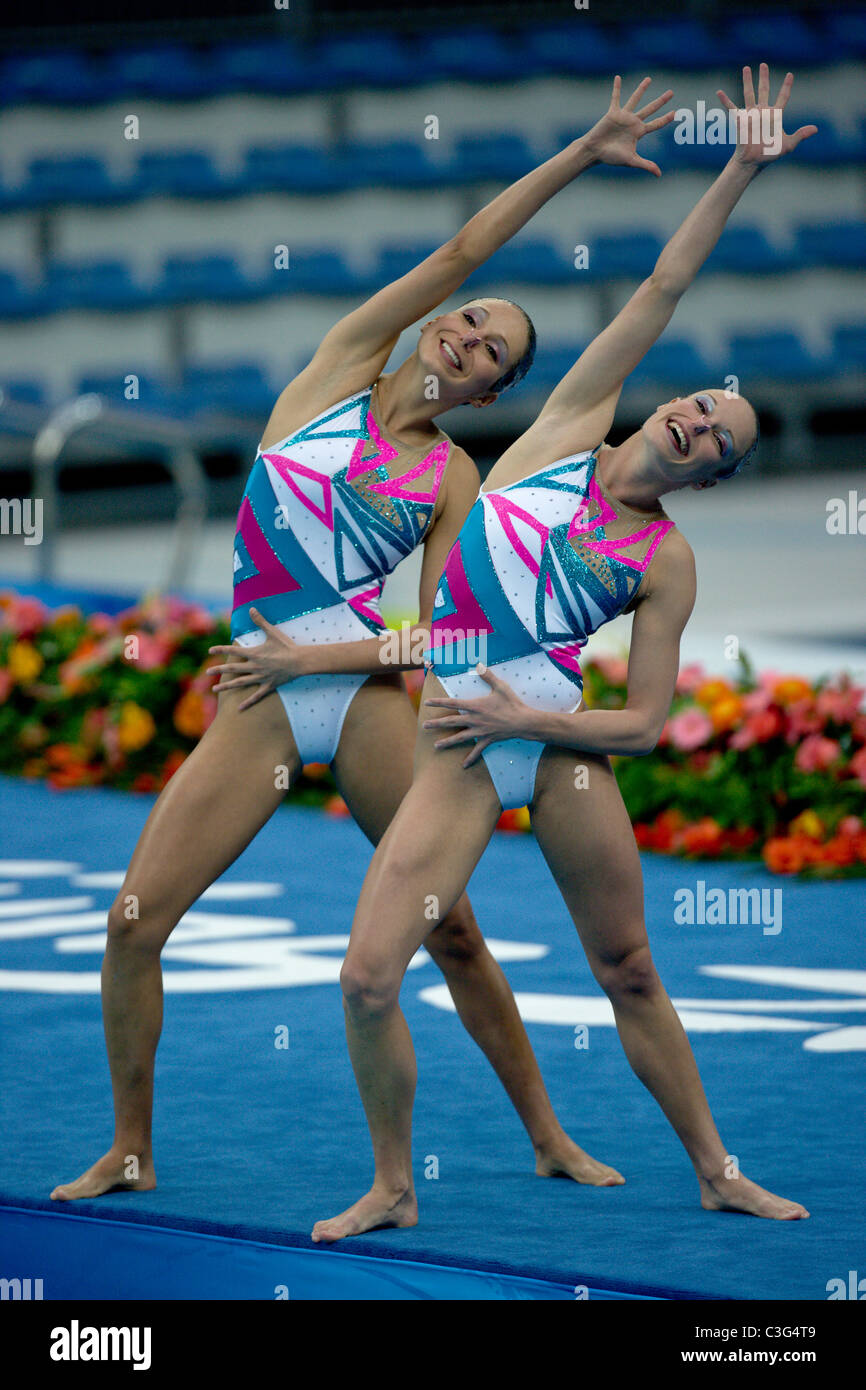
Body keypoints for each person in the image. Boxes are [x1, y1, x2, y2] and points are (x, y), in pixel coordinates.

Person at [51, 77, 676, 1202]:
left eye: (496, 351)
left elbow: (442, 640)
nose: (473, 332)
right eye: (473, 317)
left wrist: (316, 660)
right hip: (262, 697)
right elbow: (463, 245)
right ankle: (131, 1149)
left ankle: (546, 1131)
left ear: (490, 392)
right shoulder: (337, 369)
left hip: (360, 693)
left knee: (453, 937)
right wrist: (580, 153)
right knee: (134, 919)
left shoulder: (455, 479)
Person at [311, 65, 815, 1243]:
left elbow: (638, 725)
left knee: (629, 967)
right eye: (697, 407)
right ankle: (393, 1181)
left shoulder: (666, 562)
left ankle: (712, 1166)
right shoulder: (563, 431)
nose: (694, 425)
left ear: (710, 476)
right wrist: (736, 169)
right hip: (460, 751)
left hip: (552, 742)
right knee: (367, 977)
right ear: (667, 405)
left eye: (716, 443)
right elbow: (663, 283)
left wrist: (528, 727)